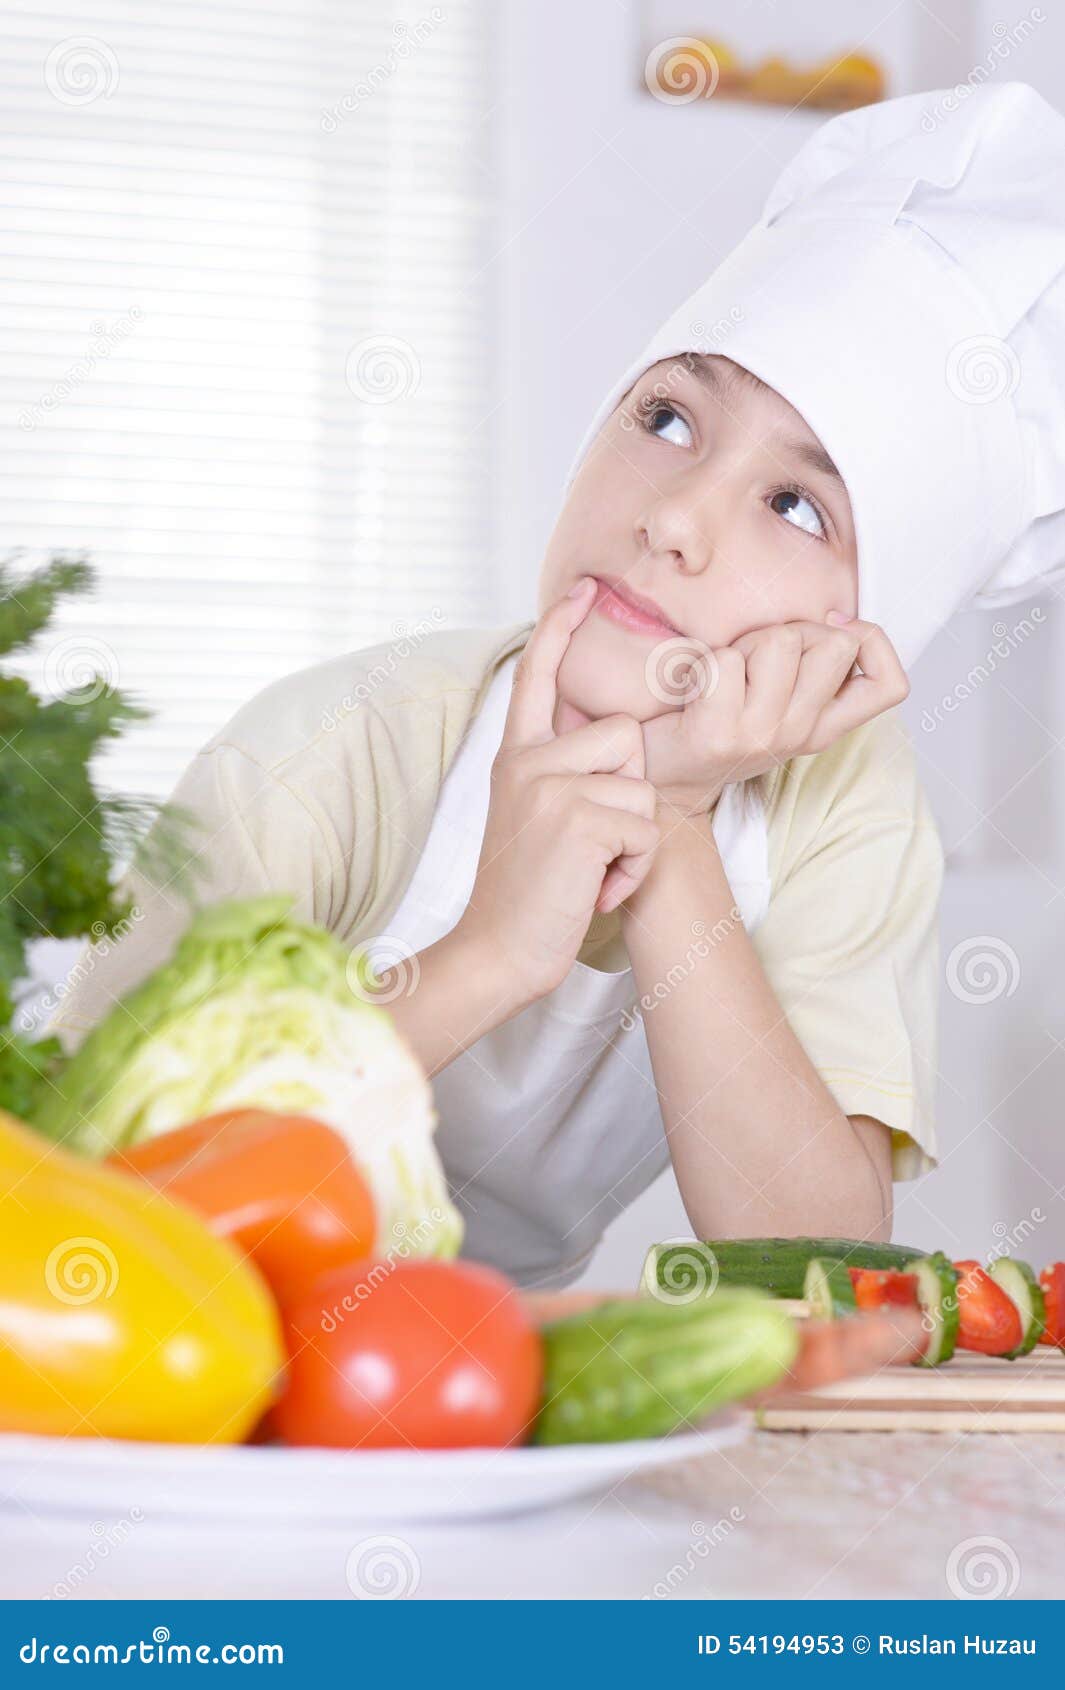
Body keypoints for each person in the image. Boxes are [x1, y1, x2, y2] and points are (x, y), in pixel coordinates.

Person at [51, 81, 1065, 1288]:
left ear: (858, 644)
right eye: (670, 416)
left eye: (796, 504)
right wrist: (489, 953)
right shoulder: (328, 753)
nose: (677, 516)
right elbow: (97, 1197)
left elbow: (809, 1255)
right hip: (188, 1336)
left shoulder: (844, 808)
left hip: (475, 1362)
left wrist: (673, 830)